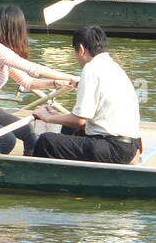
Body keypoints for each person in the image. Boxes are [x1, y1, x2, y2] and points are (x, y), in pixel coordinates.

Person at [0, 6, 78, 155]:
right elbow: (34, 69)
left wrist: (57, 82)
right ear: (15, 28)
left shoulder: (1, 53)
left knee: (28, 132)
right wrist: (71, 77)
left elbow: (28, 82)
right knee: (7, 140)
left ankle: (30, 166)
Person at [30, 26, 141, 164]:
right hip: (129, 145)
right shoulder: (113, 66)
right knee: (68, 128)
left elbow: (80, 120)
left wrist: (47, 117)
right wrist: (54, 115)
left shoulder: (91, 69)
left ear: (81, 49)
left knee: (46, 141)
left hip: (113, 148)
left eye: (75, 52)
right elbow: (84, 120)